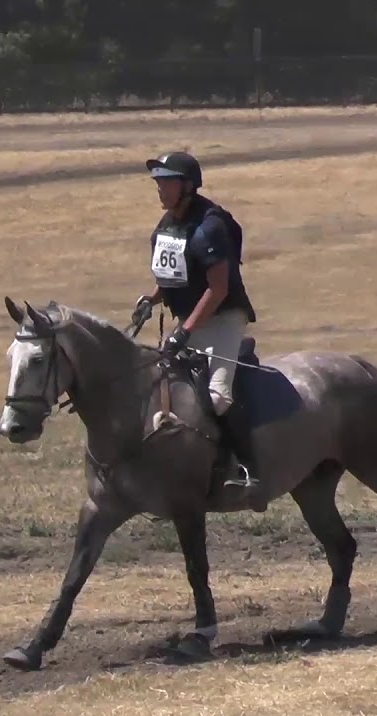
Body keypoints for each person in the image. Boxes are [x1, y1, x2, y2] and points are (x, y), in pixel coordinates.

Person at [132, 151, 267, 511]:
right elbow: (174, 278)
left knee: (218, 396)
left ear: (188, 186)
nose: (160, 188)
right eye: (158, 182)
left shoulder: (211, 227)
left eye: (167, 181)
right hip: (190, 320)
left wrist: (185, 331)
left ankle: (246, 469)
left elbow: (218, 289)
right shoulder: (167, 226)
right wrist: (153, 298)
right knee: (161, 390)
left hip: (222, 319)